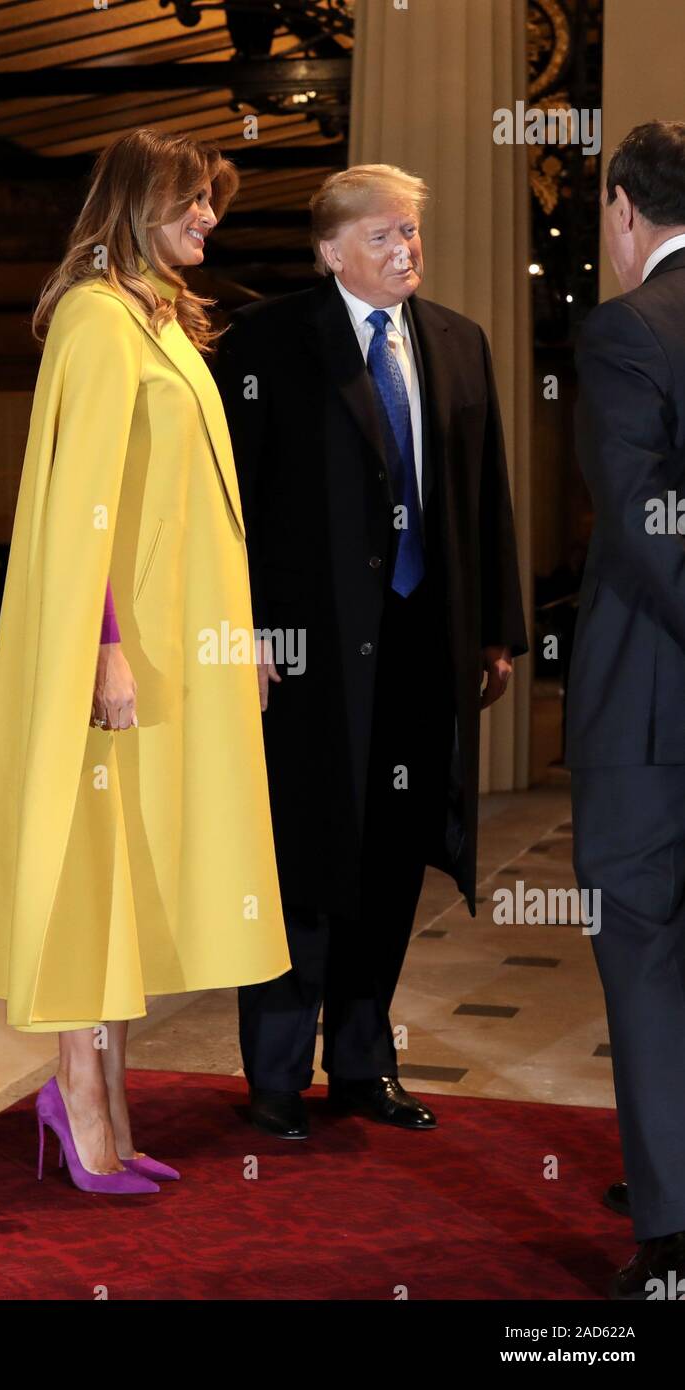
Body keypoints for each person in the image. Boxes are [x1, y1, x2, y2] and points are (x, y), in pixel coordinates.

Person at [0, 129, 290, 1194]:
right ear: (137, 205)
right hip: (122, 650)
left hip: (175, 646)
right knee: (90, 869)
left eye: (212, 203)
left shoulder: (161, 326)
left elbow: (203, 515)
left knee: (130, 874)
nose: (209, 220)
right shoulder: (96, 323)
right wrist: (101, 644)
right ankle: (78, 1097)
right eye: (193, 201)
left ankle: (106, 1098)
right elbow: (76, 501)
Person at [214, 163, 527, 1140]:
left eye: (412, 234)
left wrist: (494, 629)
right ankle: (273, 1079)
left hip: (418, 648)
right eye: (386, 236)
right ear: (329, 251)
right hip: (300, 660)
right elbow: (231, 505)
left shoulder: (457, 344)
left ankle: (361, 1065)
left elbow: (484, 501)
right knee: (303, 863)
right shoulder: (265, 340)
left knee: (389, 863)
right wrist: (245, 629)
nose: (407, 252)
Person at [567, 119, 685, 1299]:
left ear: (620, 211)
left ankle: (673, 1238)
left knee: (646, 953)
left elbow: (649, 525)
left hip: (650, 714)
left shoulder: (626, 328)